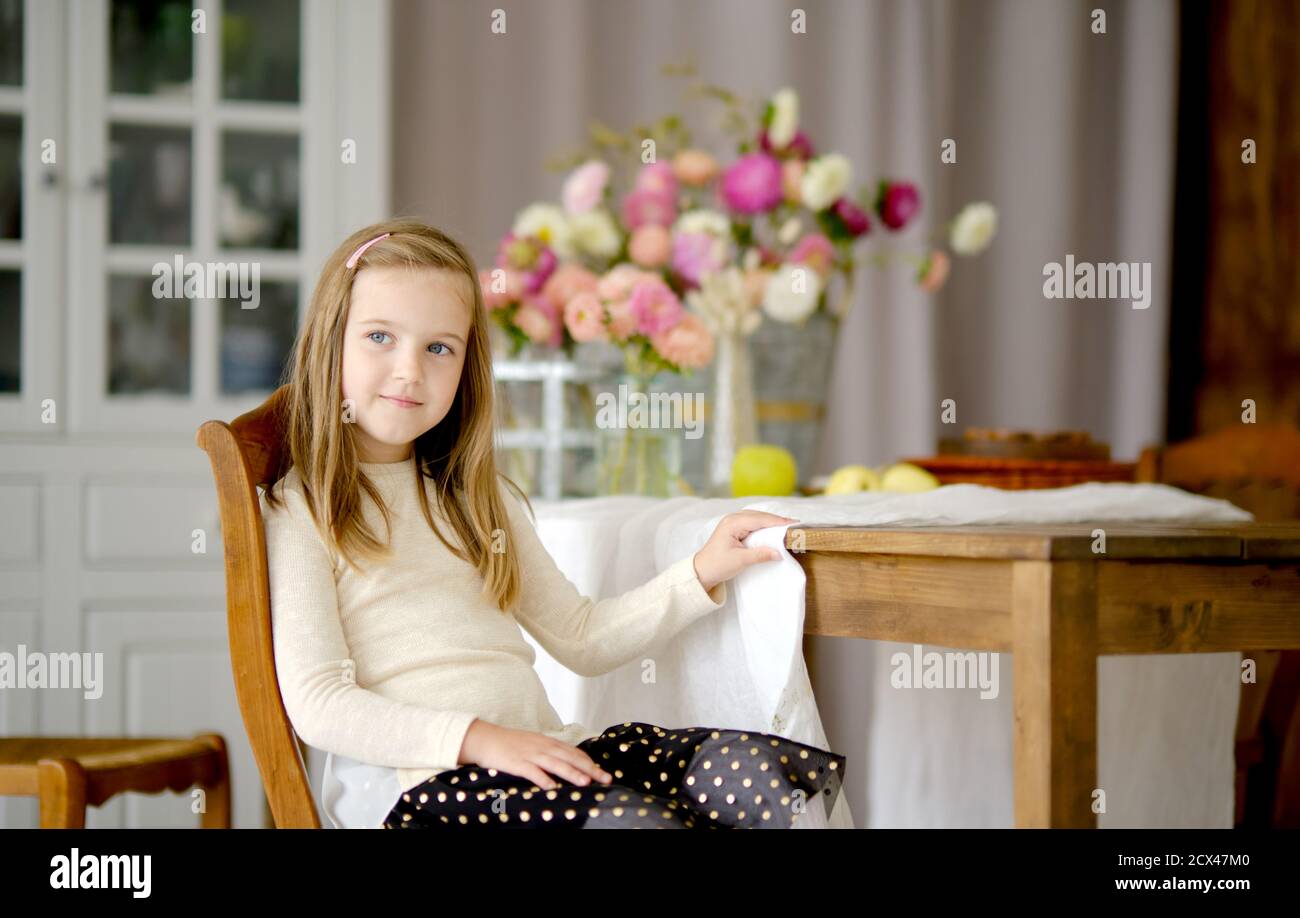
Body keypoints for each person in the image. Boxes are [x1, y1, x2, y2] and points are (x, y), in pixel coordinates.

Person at [260, 218, 847, 829]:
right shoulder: (302, 510)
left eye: (439, 348)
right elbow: (320, 705)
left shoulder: (477, 501)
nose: (410, 370)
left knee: (756, 777)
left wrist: (701, 571)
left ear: (466, 367)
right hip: (421, 788)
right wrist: (481, 740)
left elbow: (583, 637)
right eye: (380, 337)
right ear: (331, 344)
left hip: (535, 755)